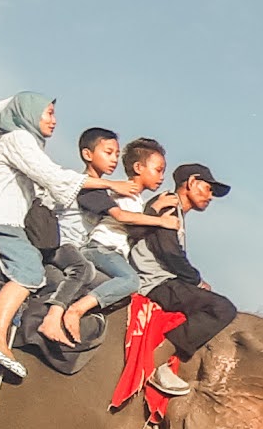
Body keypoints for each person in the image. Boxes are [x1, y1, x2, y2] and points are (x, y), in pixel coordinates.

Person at [0, 92, 134, 377]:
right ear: (28, 112)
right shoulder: (18, 140)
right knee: (30, 270)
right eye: (48, 113)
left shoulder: (24, 144)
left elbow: (46, 189)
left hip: (11, 222)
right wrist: (114, 185)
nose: (54, 121)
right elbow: (53, 177)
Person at [55, 137, 181, 343]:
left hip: (110, 252)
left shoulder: (136, 199)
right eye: (158, 170)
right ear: (139, 167)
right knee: (131, 281)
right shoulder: (124, 193)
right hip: (102, 248)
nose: (161, 177)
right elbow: (125, 218)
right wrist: (161, 220)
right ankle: (76, 310)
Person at [127, 163, 239, 395]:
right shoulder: (168, 204)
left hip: (164, 280)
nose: (210, 196)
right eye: (207, 188)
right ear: (190, 182)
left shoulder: (175, 209)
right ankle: (161, 358)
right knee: (222, 308)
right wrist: (197, 281)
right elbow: (169, 253)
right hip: (156, 282)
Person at [34, 127, 119, 345]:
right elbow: (120, 215)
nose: (114, 159)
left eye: (117, 155)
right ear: (87, 154)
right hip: (60, 243)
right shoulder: (82, 184)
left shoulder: (101, 190)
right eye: (108, 153)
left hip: (74, 247)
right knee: (83, 269)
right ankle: (52, 318)